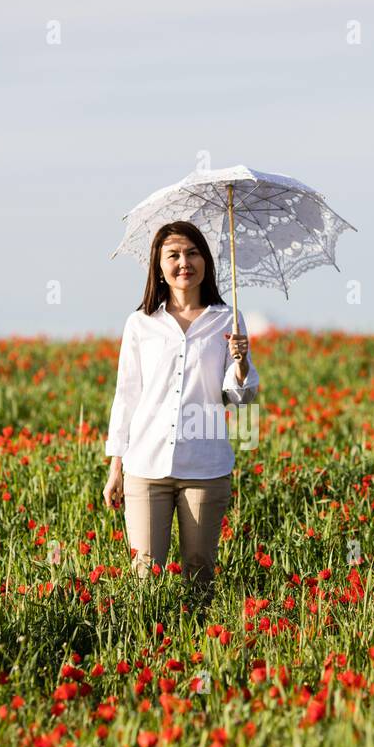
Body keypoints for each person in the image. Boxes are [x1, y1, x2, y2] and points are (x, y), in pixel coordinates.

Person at [102, 220, 260, 611]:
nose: (183, 262)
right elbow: (127, 397)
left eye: (192, 253)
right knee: (144, 574)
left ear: (205, 261)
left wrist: (240, 363)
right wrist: (115, 468)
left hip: (205, 467)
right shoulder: (141, 324)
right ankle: (147, 652)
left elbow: (239, 399)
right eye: (173, 255)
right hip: (145, 465)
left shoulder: (228, 320)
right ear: (158, 266)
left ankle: (197, 652)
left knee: (200, 571)